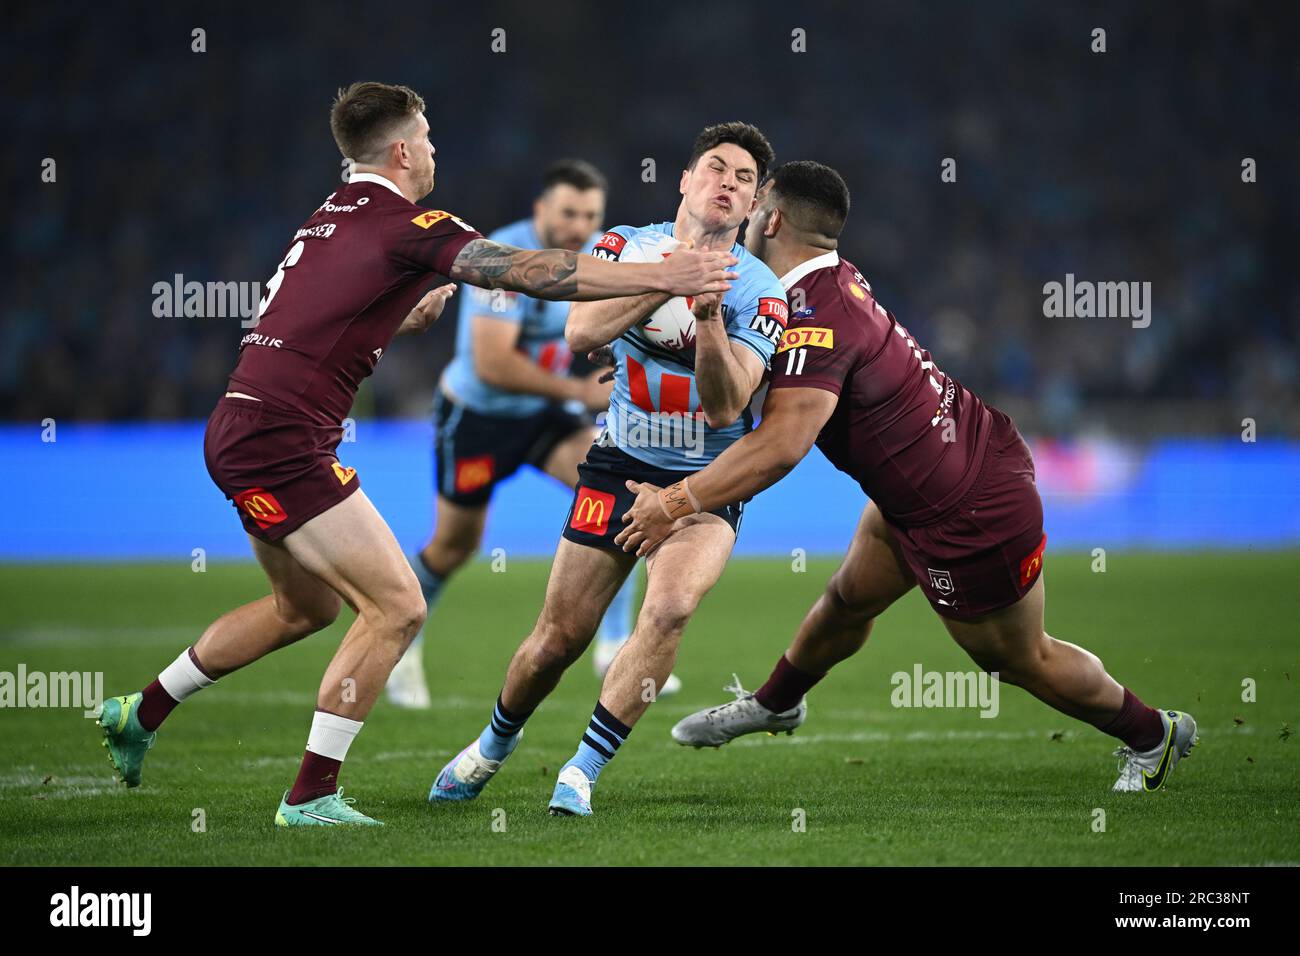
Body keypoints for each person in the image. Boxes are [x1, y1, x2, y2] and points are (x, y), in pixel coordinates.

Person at [95, 82, 738, 827]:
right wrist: (667, 273)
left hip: (240, 424)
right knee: (397, 607)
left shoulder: (328, 217)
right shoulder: (410, 222)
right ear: (402, 150)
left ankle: (138, 713)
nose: (434, 148)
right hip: (284, 442)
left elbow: (312, 317)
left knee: (302, 607)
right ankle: (310, 797)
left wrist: (396, 311)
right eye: (427, 137)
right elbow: (532, 272)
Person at [618, 161, 1196, 794]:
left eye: (756, 209)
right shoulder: (825, 282)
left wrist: (675, 503)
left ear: (774, 219)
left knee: (1017, 657)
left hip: (967, 511)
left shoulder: (816, 311)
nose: (744, 218)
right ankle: (777, 703)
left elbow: (781, 446)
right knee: (846, 601)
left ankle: (1151, 735)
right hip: (933, 481)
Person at [427, 122, 790, 816]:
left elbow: (725, 407)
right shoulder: (623, 247)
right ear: (686, 180)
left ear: (753, 206)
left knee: (671, 607)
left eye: (744, 180)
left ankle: (582, 770)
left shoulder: (761, 292)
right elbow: (580, 333)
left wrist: (709, 318)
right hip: (618, 465)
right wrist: (668, 281)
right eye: (716, 168)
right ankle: (491, 747)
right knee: (557, 640)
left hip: (707, 485)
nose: (727, 184)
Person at [386, 159, 674, 709]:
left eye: (590, 215)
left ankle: (613, 643)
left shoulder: (598, 257)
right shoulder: (505, 256)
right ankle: (405, 647)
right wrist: (579, 393)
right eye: (568, 213)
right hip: (478, 418)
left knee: (617, 495)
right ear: (541, 209)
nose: (578, 226)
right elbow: (493, 363)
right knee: (454, 546)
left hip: (544, 416)